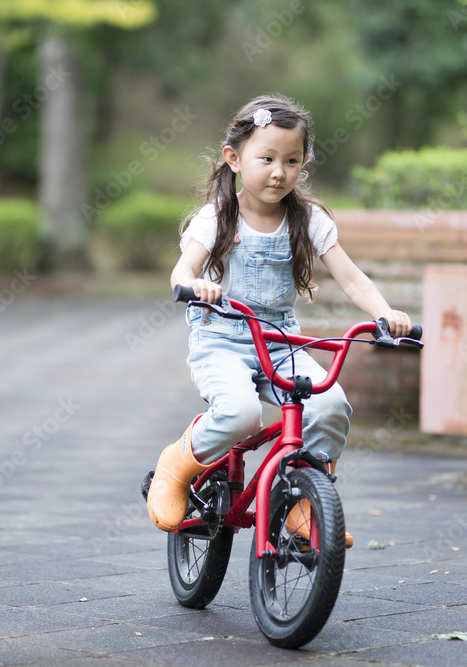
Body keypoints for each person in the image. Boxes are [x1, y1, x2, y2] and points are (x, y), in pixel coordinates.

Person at [145, 94, 412, 547]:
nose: (278, 171)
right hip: (223, 339)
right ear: (233, 158)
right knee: (240, 413)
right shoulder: (217, 218)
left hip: (280, 341)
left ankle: (304, 503)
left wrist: (384, 313)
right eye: (266, 158)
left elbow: (351, 278)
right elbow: (181, 272)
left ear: (303, 163)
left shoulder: (306, 219)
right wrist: (197, 284)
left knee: (330, 406)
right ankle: (177, 465)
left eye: (291, 161)